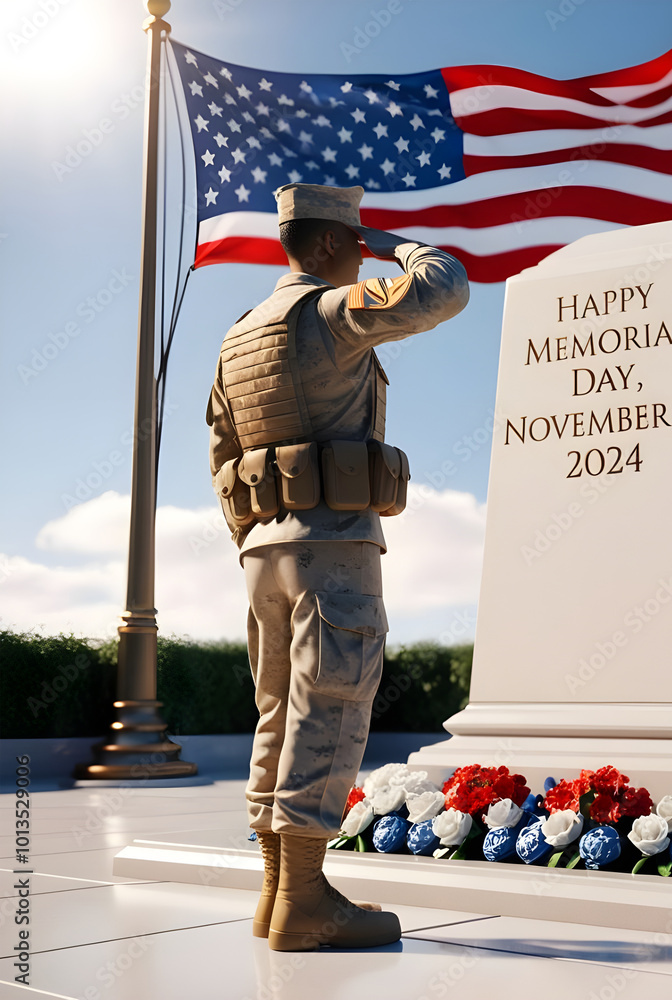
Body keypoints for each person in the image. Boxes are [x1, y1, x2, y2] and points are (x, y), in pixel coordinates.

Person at [207, 183, 469, 951]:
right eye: (353, 244)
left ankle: (275, 895)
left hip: (263, 547)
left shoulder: (239, 333)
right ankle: (309, 900)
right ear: (327, 246)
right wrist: (403, 248)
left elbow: (221, 446)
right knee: (332, 706)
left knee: (277, 711)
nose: (361, 256)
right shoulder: (329, 311)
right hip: (334, 545)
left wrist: (255, 534)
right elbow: (443, 290)